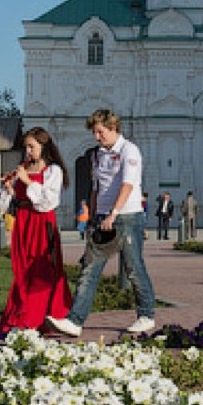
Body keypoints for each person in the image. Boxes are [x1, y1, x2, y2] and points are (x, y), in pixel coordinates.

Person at [48, 108, 157, 337]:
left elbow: (127, 185)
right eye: (95, 133)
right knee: (89, 268)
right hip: (103, 217)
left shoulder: (130, 151)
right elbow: (97, 188)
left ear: (112, 127)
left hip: (127, 217)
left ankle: (146, 315)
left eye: (100, 132)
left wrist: (113, 214)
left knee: (134, 268)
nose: (96, 137)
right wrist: (93, 218)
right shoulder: (98, 154)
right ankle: (74, 321)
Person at [0, 128, 72, 335]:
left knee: (42, 269)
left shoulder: (52, 170)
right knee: (22, 270)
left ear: (43, 146)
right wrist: (9, 188)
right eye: (26, 147)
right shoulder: (22, 167)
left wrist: (28, 181)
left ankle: (37, 319)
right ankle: (20, 316)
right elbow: (7, 205)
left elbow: (48, 202)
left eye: (32, 146)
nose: (28, 151)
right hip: (24, 222)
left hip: (42, 223)